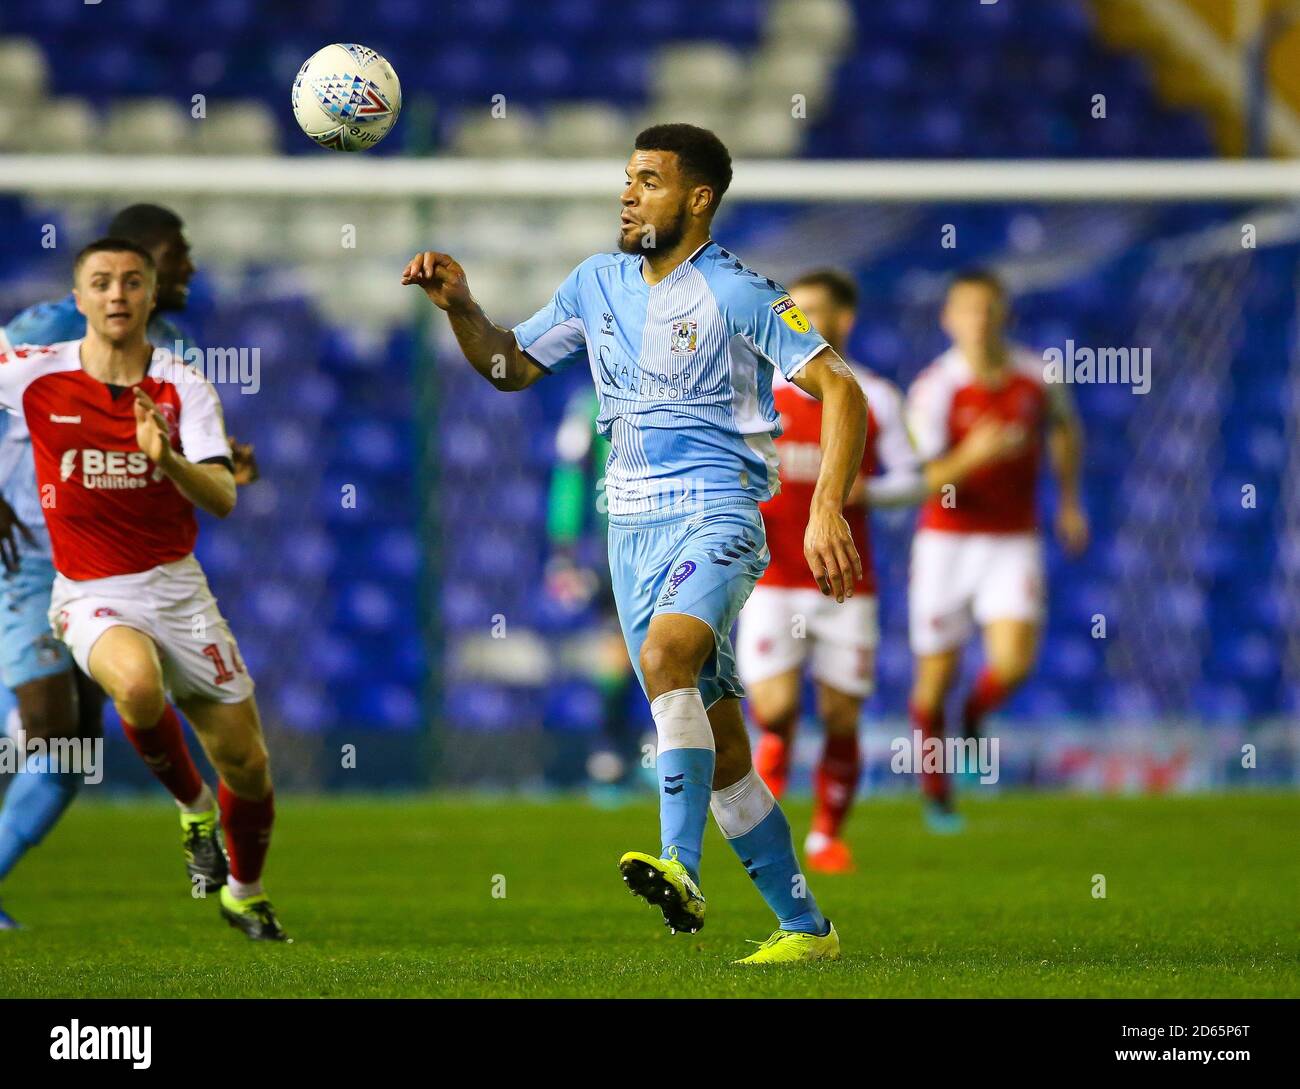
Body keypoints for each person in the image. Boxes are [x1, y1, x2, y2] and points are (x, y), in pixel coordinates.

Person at [404, 123, 867, 964]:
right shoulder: (594, 283)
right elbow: (511, 369)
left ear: (697, 199)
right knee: (726, 752)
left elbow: (841, 388)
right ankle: (807, 929)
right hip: (630, 532)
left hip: (717, 513)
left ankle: (679, 867)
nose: (627, 193)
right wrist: (464, 310)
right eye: (627, 178)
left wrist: (825, 506)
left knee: (663, 661)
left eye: (647, 180)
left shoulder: (742, 293)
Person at [0, 239, 285, 940]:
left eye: (132, 282)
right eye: (101, 282)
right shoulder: (31, 371)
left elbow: (222, 495)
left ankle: (242, 892)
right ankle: (193, 813)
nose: (117, 294)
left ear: (151, 296)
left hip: (177, 591)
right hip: (90, 590)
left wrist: (169, 459)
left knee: (247, 765)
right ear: (81, 298)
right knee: (133, 683)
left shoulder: (183, 385)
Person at [737, 268, 1019, 869]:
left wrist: (863, 492)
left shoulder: (875, 397)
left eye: (816, 310)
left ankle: (826, 836)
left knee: (841, 714)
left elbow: (912, 482)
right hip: (771, 577)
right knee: (775, 708)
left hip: (845, 585)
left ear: (845, 320)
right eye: (794, 309)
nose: (803, 320)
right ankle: (779, 749)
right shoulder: (756, 392)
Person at [906, 268, 1088, 831]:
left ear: (1005, 315)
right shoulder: (936, 387)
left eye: (989, 309)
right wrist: (974, 456)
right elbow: (921, 477)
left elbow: (1063, 428)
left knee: (1012, 664)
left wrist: (1068, 500)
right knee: (934, 676)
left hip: (1013, 540)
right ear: (949, 320)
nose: (979, 321)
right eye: (968, 310)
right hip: (946, 543)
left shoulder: (1035, 378)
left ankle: (974, 714)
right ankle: (938, 796)